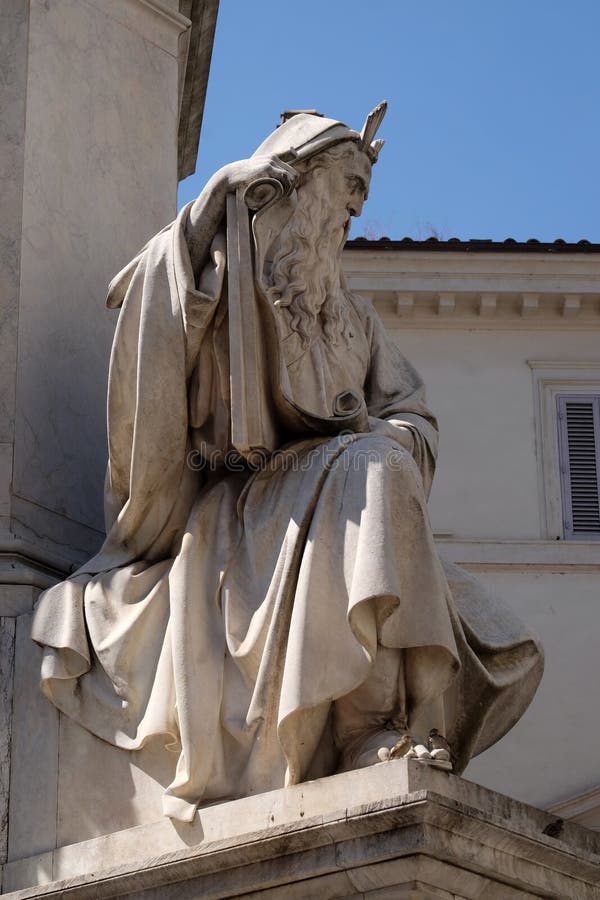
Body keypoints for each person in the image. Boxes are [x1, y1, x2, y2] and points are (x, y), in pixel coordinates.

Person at [32, 104, 543, 823]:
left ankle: (374, 721)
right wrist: (213, 200)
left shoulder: (355, 320)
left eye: (363, 194)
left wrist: (381, 435)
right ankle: (368, 729)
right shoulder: (222, 268)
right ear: (296, 182)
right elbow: (153, 316)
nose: (354, 209)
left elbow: (412, 417)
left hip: (340, 497)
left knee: (380, 471)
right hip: (240, 505)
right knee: (371, 470)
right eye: (347, 185)